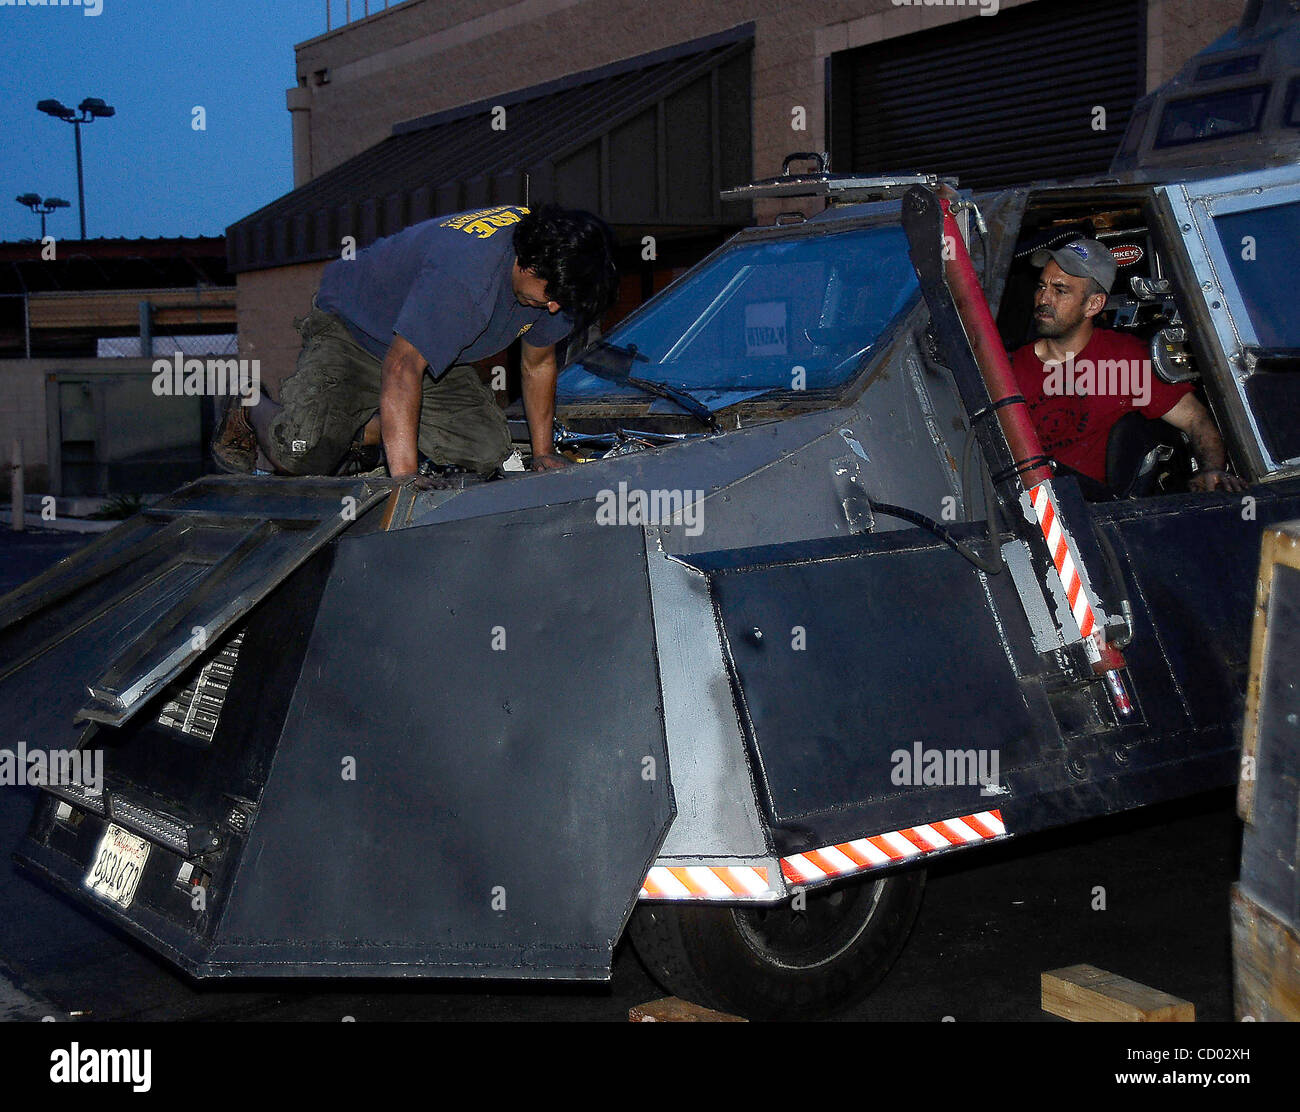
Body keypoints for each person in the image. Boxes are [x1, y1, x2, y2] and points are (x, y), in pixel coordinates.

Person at [212, 203, 619, 479]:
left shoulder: (560, 282)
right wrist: (403, 482)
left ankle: (367, 430)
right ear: (527, 262)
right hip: (356, 331)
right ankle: (251, 403)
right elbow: (401, 367)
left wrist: (544, 453)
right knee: (297, 452)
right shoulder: (466, 279)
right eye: (548, 296)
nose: (552, 309)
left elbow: (537, 363)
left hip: (429, 347)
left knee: (486, 451)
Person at [1011, 238, 1246, 494]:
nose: (1044, 298)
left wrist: (1210, 470)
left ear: (1094, 305)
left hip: (1096, 517)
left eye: (1060, 290)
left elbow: (1195, 419)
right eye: (1041, 286)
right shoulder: (1007, 369)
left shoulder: (1124, 359)